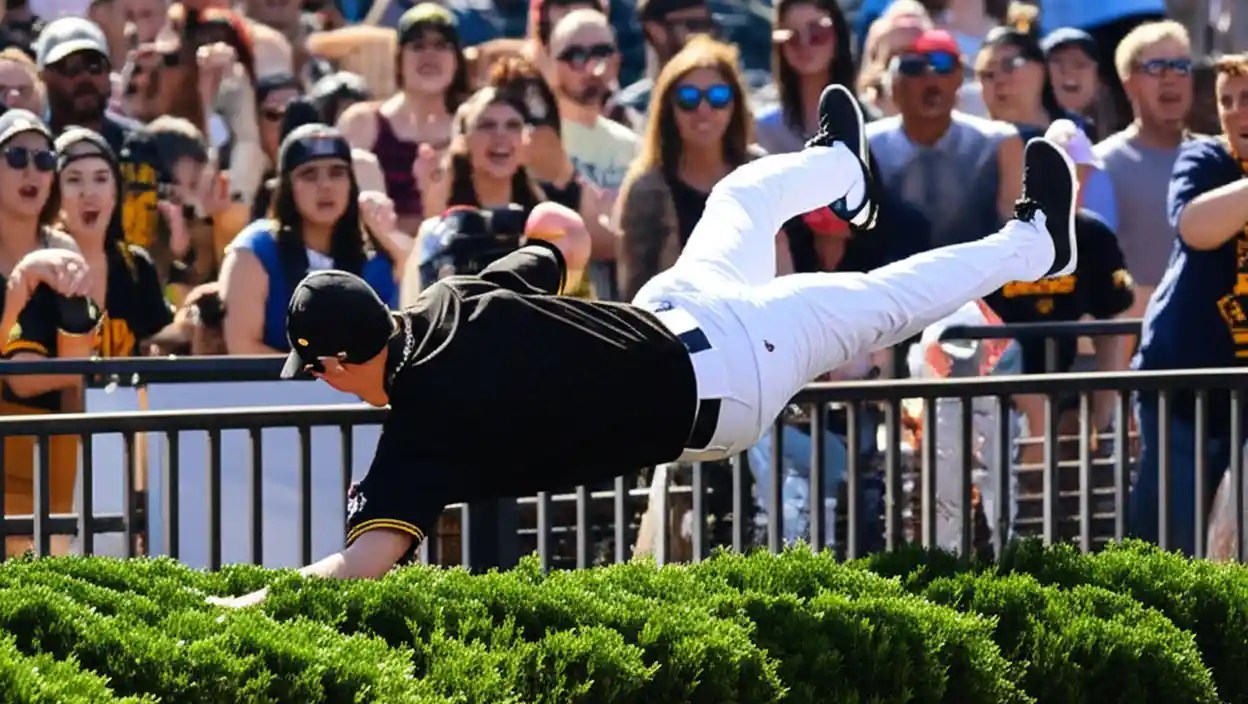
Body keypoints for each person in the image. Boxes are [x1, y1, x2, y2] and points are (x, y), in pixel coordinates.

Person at [209, 85, 1078, 607]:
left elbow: (361, 567)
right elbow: (560, 252)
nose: (324, 384)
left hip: (717, 356)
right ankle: (959, 218)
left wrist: (245, 604)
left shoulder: (423, 419)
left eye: (317, 369)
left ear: (338, 358)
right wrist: (561, 240)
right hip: (702, 362)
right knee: (796, 242)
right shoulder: (448, 299)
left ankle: (994, 228)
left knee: (784, 230)